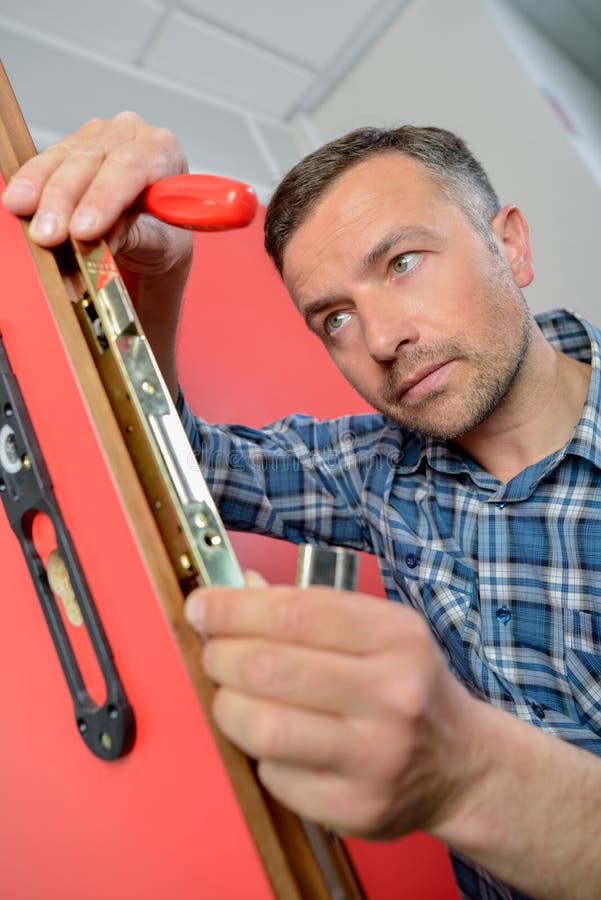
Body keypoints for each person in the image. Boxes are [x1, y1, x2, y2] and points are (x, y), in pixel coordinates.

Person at [3, 113, 601, 900]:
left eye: (403, 261)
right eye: (335, 319)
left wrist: (468, 773)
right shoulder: (376, 467)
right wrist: (156, 278)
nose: (381, 338)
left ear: (510, 246)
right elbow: (180, 462)